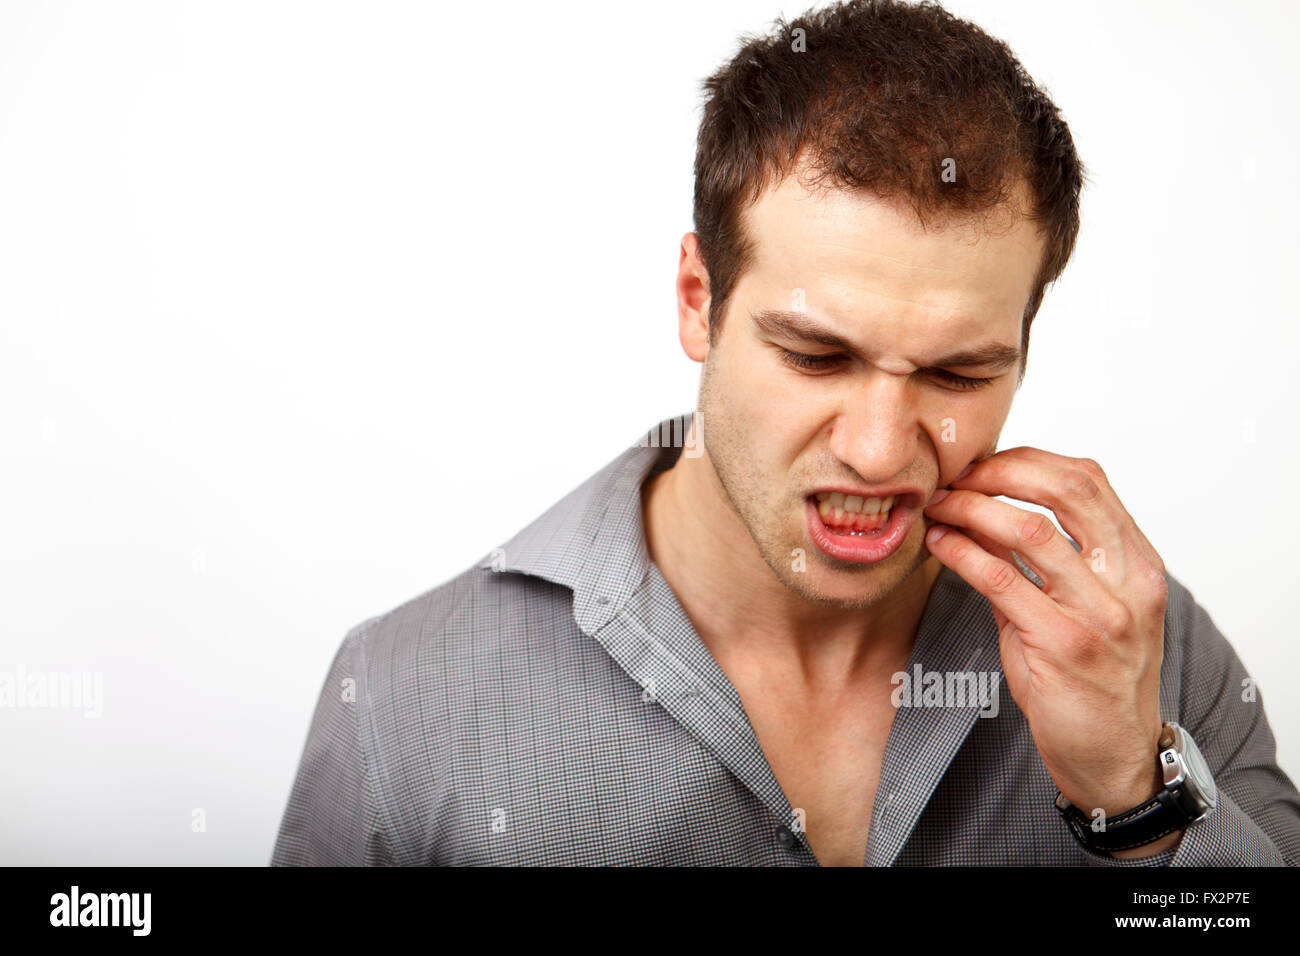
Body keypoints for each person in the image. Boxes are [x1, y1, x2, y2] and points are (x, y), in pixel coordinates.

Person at [271, 0, 1300, 866]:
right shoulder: (403, 697)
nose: (878, 446)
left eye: (956, 370)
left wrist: (1134, 801)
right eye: (815, 355)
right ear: (695, 298)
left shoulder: (1136, 650)